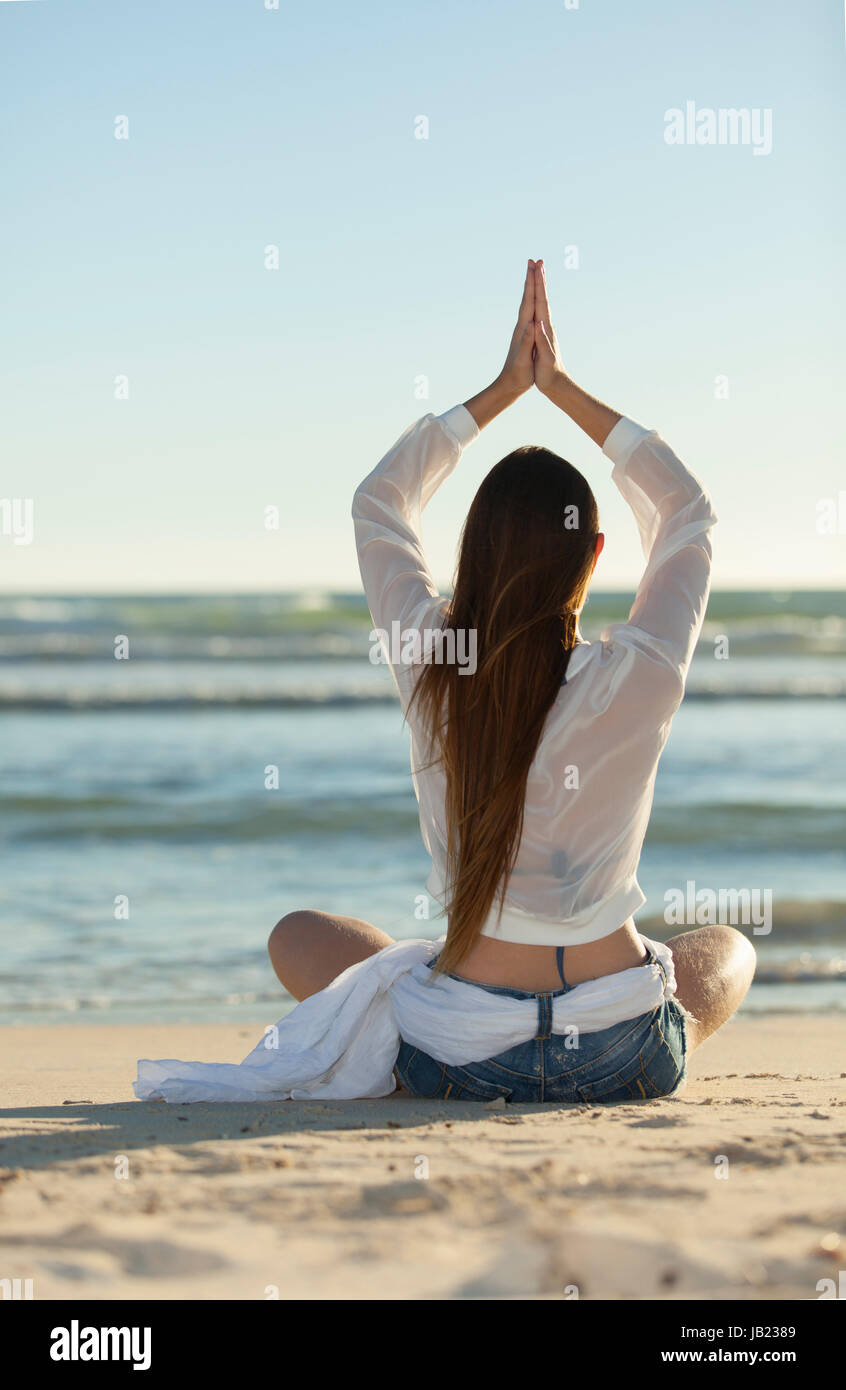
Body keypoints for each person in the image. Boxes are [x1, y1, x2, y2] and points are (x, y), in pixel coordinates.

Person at [135, 261, 755, 1106]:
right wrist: (560, 389)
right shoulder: (641, 672)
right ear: (596, 555)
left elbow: (379, 503)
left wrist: (499, 394)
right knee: (727, 949)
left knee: (299, 936)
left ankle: (425, 1024)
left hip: (460, 1057)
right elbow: (688, 512)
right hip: (620, 1056)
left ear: (474, 551)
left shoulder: (433, 658)